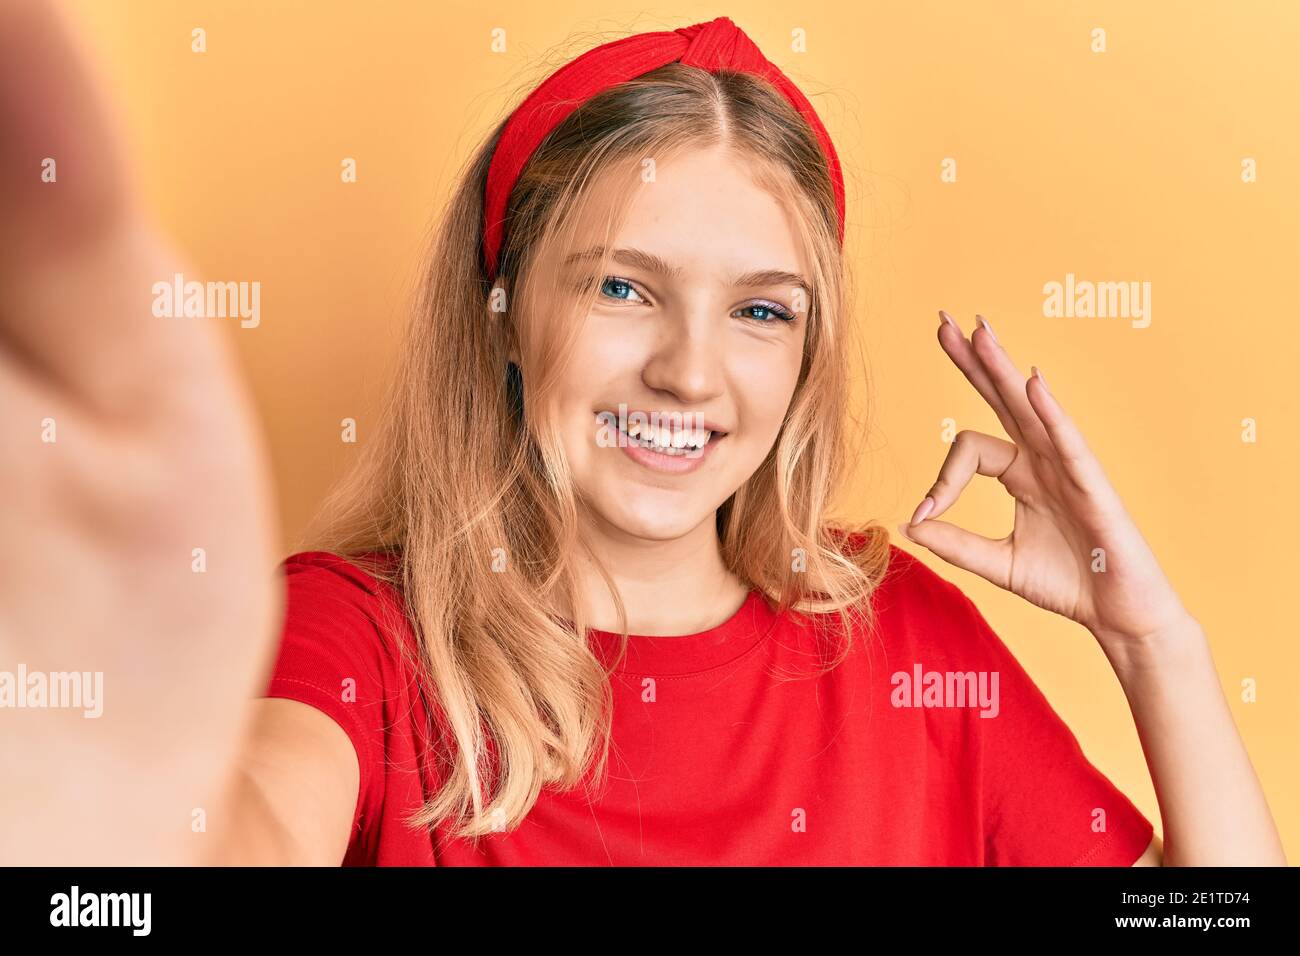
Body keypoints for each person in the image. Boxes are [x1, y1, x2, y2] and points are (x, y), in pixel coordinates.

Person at [0, 6, 1284, 867]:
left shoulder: (896, 634)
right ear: (503, 314)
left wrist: (1150, 640)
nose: (688, 369)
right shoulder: (365, 636)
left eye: (760, 311)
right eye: (622, 286)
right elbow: (249, 828)